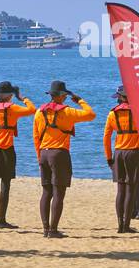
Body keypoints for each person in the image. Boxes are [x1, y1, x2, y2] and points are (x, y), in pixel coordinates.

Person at [33, 80, 95, 238]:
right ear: (61, 95)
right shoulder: (67, 112)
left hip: (44, 153)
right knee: (59, 193)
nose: (66, 98)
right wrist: (79, 100)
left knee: (46, 192)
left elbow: (36, 136)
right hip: (59, 154)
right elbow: (90, 114)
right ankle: (53, 230)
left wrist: (39, 155)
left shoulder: (39, 112)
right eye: (65, 96)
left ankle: (45, 229)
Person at [0, 80, 36, 228]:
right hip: (6, 148)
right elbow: (32, 110)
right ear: (9, 95)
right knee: (5, 183)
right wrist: (23, 98)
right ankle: (2, 220)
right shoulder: (13, 108)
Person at [103, 86, 139, 233]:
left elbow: (106, 138)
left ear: (121, 97)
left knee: (120, 190)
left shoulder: (112, 114)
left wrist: (109, 157)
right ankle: (126, 225)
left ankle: (120, 225)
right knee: (131, 190)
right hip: (134, 152)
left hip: (119, 152)